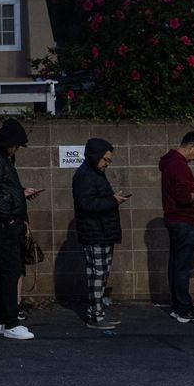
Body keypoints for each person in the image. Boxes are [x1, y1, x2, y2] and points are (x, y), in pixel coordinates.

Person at [0, 118, 36, 340]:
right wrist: (8, 217)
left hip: (0, 224)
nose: (17, 149)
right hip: (4, 225)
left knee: (3, 273)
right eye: (16, 145)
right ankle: (10, 322)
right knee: (10, 272)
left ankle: (2, 320)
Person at [159, 130, 194, 324]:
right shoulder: (179, 166)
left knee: (176, 265)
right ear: (191, 147)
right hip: (183, 221)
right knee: (182, 267)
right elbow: (183, 197)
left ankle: (178, 306)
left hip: (174, 220)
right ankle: (184, 308)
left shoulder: (169, 163)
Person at [71, 137, 126, 331]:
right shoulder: (85, 175)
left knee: (100, 274)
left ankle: (97, 312)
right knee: (98, 274)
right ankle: (95, 315)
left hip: (101, 231)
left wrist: (112, 199)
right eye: (105, 159)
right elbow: (87, 204)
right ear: (95, 156)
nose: (107, 164)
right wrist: (113, 201)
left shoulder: (93, 172)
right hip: (95, 232)